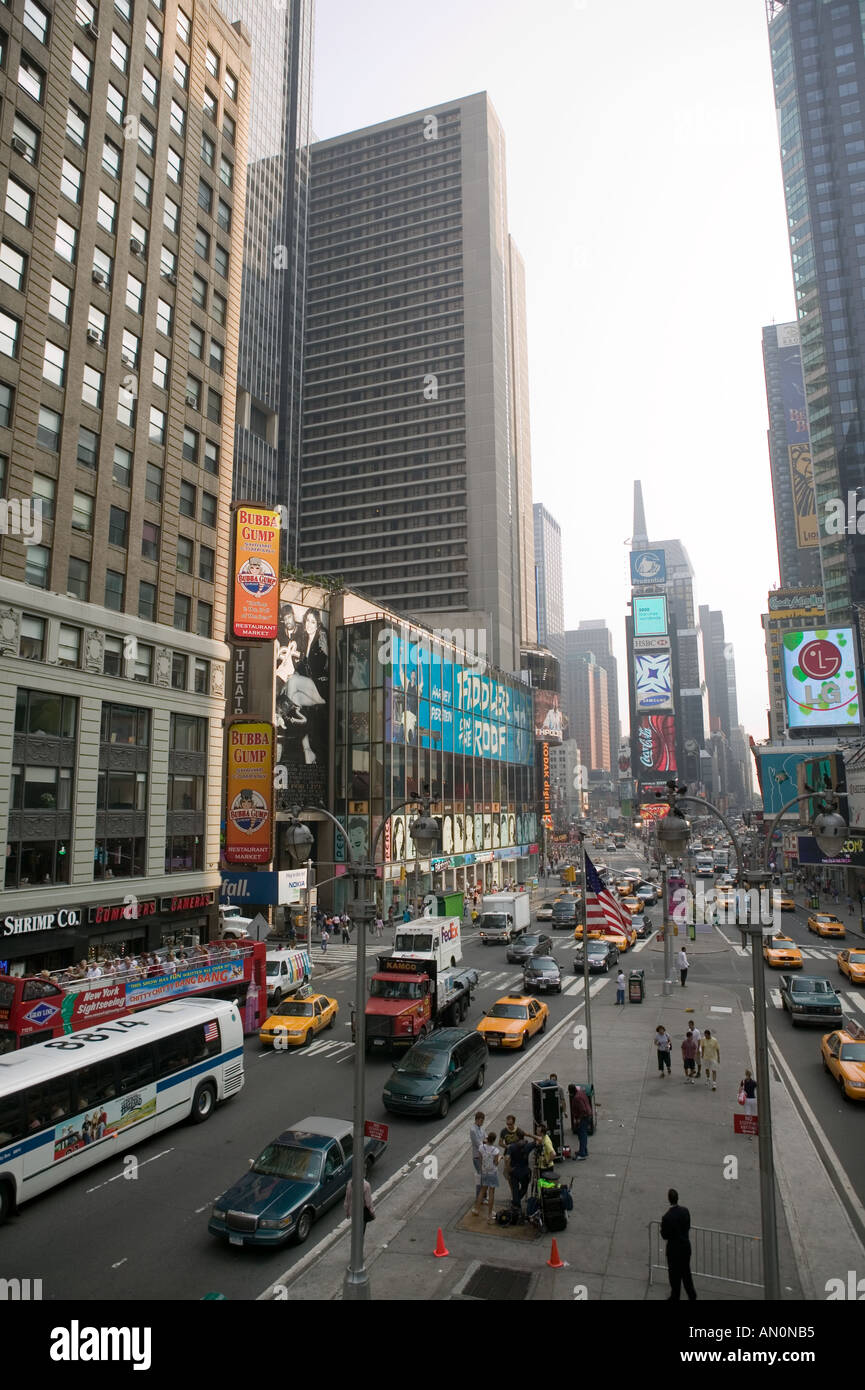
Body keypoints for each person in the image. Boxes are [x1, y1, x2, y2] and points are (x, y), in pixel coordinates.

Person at [661, 1188, 697, 1301]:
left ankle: (675, 1296)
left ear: (669, 1200)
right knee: (686, 1273)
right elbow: (688, 1226)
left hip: (674, 1251)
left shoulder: (667, 1217)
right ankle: (692, 1295)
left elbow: (664, 1235)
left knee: (674, 1276)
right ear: (677, 1198)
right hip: (685, 1248)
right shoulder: (685, 1211)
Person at [473, 1132, 501, 1222]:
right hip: (492, 1173)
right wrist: (499, 1158)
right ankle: (489, 1214)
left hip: (484, 1172)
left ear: (487, 1138)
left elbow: (480, 1159)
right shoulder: (496, 1151)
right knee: (491, 1192)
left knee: (483, 1190)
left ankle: (476, 1209)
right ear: (494, 1140)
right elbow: (496, 1163)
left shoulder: (481, 1147)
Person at [344, 1175, 376, 1242]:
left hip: (353, 1211)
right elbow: (368, 1203)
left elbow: (347, 1199)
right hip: (362, 1213)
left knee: (355, 1227)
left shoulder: (350, 1183)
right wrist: (372, 1213)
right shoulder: (366, 1185)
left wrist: (347, 1212)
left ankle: (355, 1241)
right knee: (361, 1231)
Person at [507, 1128, 533, 1210]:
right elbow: (539, 1140)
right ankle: (516, 1202)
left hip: (514, 1170)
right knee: (524, 1188)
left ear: (516, 1136)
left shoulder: (512, 1147)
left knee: (515, 1188)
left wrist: (509, 1168)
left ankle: (516, 1203)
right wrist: (529, 1135)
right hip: (524, 1171)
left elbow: (507, 1158)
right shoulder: (527, 1145)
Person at [571, 1085, 592, 1159]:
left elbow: (583, 1110)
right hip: (587, 1115)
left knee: (582, 1135)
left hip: (584, 1117)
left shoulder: (577, 1098)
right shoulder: (581, 1092)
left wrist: (579, 1119)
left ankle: (582, 1154)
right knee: (582, 1134)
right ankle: (583, 1150)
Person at [469, 1111, 486, 1204]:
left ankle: (483, 1196)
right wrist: (485, 1144)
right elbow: (478, 1143)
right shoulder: (473, 1130)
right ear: (477, 1120)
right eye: (481, 1121)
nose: (482, 1123)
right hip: (477, 1156)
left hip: (483, 1156)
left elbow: (486, 1137)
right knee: (480, 1177)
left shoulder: (481, 1128)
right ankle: (478, 1197)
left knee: (483, 1177)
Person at [498, 1115, 520, 1180]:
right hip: (508, 1153)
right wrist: (507, 1146)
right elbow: (500, 1143)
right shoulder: (503, 1131)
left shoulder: (518, 1130)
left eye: (510, 1124)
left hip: (517, 1154)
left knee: (517, 1173)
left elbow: (522, 1142)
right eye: (507, 1124)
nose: (509, 1126)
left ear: (514, 1123)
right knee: (508, 1175)